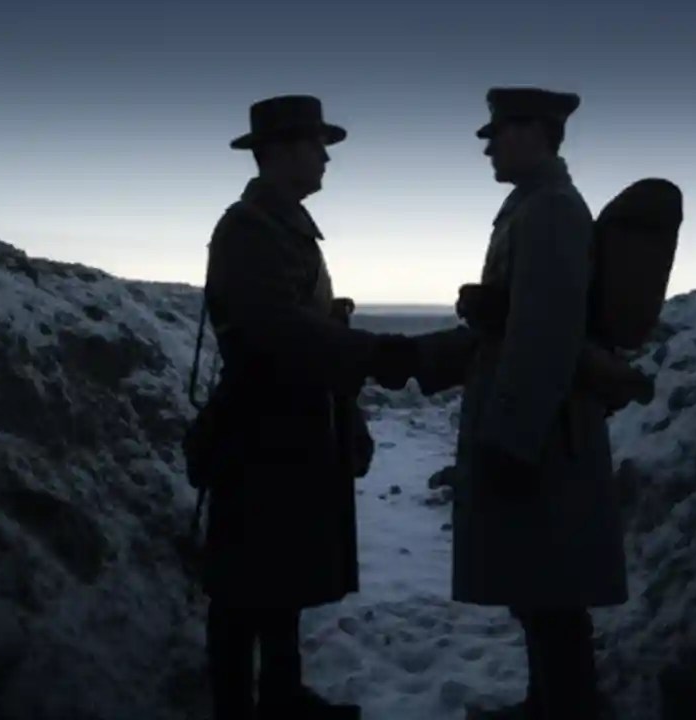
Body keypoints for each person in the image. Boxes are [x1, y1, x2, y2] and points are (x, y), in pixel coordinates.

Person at [415, 87, 630, 719]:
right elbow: (529, 316)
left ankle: (567, 707)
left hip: (544, 428)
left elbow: (548, 336)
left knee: (553, 586)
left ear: (536, 132)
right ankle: (550, 701)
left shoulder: (552, 209)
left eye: (499, 133)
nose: (489, 148)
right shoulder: (534, 205)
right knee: (540, 581)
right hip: (542, 423)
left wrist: (513, 437)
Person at [200, 94, 417, 720]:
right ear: (280, 151)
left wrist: (334, 328)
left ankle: (282, 696)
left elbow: (293, 320)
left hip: (288, 424)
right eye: (317, 144)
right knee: (245, 587)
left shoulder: (279, 224)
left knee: (279, 576)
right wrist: (374, 351)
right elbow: (273, 329)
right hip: (260, 427)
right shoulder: (249, 228)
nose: (326, 157)